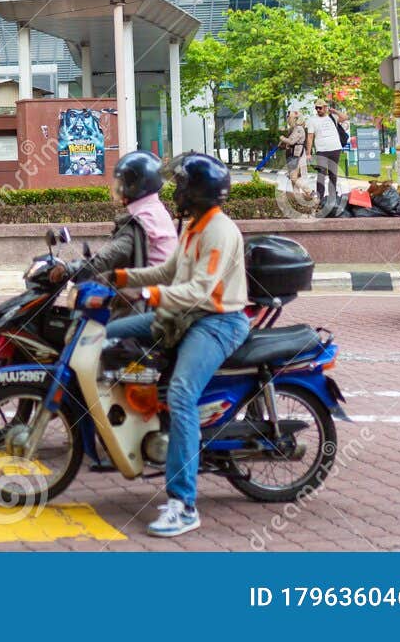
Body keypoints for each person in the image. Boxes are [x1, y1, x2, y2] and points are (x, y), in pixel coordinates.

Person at [101, 153, 250, 538]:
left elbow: (200, 290)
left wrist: (152, 295)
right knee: (108, 334)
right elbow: (168, 272)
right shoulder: (195, 226)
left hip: (216, 321)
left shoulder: (219, 230)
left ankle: (183, 505)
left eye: (181, 185)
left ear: (197, 191)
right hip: (186, 313)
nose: (175, 191)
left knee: (183, 395)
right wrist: (118, 276)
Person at [51, 151, 177, 286]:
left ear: (135, 186)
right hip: (159, 288)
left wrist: (69, 269)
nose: (118, 188)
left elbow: (111, 256)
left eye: (122, 183)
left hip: (148, 297)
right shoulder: (156, 210)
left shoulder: (141, 220)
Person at [303, 99, 344, 201]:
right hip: (322, 150)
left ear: (325, 108)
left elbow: (345, 117)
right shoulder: (312, 120)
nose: (318, 110)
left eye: (320, 108)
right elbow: (310, 137)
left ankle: (333, 196)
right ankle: (320, 198)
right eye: (316, 108)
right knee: (321, 174)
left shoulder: (332, 117)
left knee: (333, 174)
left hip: (335, 148)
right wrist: (308, 153)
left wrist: (334, 111)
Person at [279, 110, 308, 195]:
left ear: (295, 119)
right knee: (294, 178)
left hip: (298, 155)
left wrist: (282, 138)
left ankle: (309, 191)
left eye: (289, 117)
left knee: (294, 177)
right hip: (292, 154)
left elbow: (291, 141)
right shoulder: (292, 129)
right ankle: (297, 196)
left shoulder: (299, 129)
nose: (288, 119)